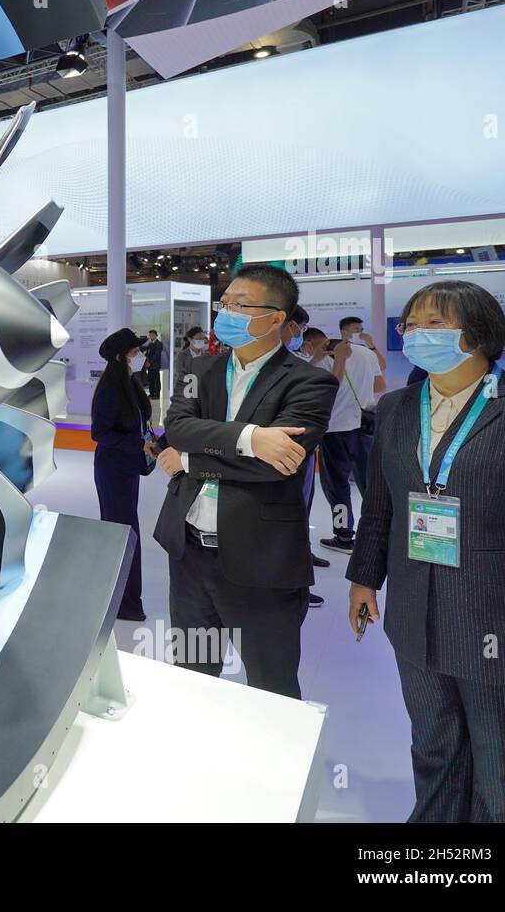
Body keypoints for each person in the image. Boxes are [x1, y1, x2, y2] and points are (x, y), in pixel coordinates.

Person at [347, 280, 505, 821]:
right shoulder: (395, 409)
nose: (417, 333)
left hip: (503, 622)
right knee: (433, 748)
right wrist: (365, 579)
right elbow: (380, 504)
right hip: (416, 615)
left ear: (476, 332)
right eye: (412, 323)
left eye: (436, 322)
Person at [153, 265, 338, 698]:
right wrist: (252, 438)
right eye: (225, 303)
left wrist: (189, 460)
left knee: (270, 684)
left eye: (240, 304)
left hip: (261, 560)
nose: (227, 312)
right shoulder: (200, 368)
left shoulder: (310, 381)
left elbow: (277, 465)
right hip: (189, 552)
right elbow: (176, 427)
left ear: (276, 318)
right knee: (192, 675)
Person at [92, 328, 156, 622]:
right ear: (120, 356)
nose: (139, 354)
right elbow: (100, 434)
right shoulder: (108, 389)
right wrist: (138, 444)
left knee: (125, 532)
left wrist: (149, 442)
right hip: (113, 468)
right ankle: (125, 603)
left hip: (127, 467)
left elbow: (140, 421)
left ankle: (124, 601)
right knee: (123, 534)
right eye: (134, 351)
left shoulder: (129, 383)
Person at [317, 317, 386, 553]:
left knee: (337, 487)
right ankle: (379, 534)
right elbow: (380, 386)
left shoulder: (327, 357)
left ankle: (344, 536)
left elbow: (326, 388)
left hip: (335, 429)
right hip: (365, 428)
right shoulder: (368, 355)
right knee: (369, 484)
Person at [280, 308, 328, 604]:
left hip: (303, 451)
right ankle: (291, 585)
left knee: (299, 512)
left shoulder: (296, 364)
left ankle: (296, 580)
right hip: (284, 455)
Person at [173, 326, 209, 396]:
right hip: (187, 390)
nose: (201, 341)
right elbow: (180, 372)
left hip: (203, 391)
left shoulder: (207, 355)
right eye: (198, 339)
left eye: (202, 339)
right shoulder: (182, 355)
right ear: (190, 339)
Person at [140, 329, 164, 400]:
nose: (151, 336)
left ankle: (157, 395)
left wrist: (150, 362)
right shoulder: (150, 344)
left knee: (156, 380)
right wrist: (146, 362)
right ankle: (151, 393)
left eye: (153, 335)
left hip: (155, 365)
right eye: (150, 335)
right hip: (149, 365)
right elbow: (147, 353)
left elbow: (157, 355)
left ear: (156, 335)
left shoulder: (159, 344)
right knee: (150, 380)